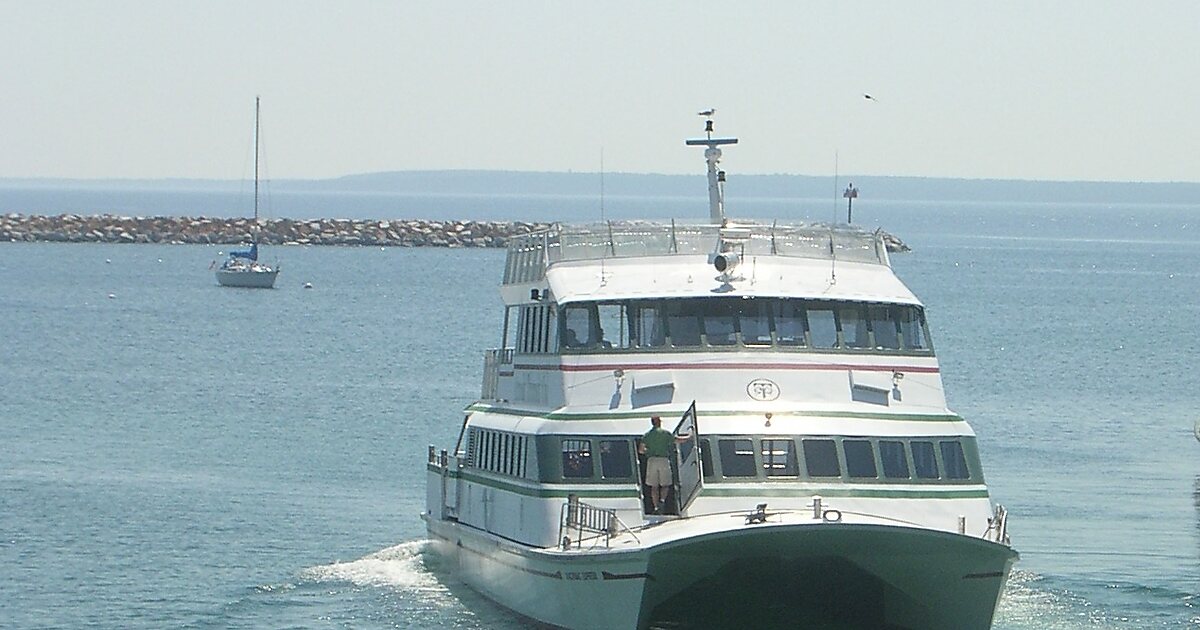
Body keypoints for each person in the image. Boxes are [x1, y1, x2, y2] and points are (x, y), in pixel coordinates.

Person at [639, 415, 689, 514]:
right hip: (663, 460)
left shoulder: (647, 435)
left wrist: (648, 451)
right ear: (658, 422)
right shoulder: (665, 433)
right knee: (665, 484)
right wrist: (689, 436)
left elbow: (641, 450)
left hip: (651, 460)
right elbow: (678, 440)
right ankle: (662, 501)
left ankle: (656, 507)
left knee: (654, 486)